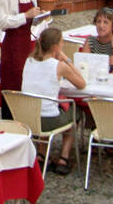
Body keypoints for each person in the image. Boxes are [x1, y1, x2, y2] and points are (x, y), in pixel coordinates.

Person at [22, 26, 86, 173]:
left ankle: (42, 154)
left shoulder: (29, 61)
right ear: (56, 47)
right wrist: (66, 59)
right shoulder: (59, 66)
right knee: (75, 113)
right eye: (62, 43)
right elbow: (81, 83)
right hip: (48, 119)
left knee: (45, 106)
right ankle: (64, 157)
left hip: (28, 117)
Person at [0, 0, 46, 117]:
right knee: (12, 86)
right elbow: (0, 22)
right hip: (12, 46)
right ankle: (9, 124)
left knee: (27, 84)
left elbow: (31, 15)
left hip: (27, 45)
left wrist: (38, 16)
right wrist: (25, 16)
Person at [80, 7, 113, 72]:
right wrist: (106, 61)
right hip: (98, 78)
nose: (101, 26)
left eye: (105, 22)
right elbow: (83, 66)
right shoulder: (90, 41)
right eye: (98, 21)